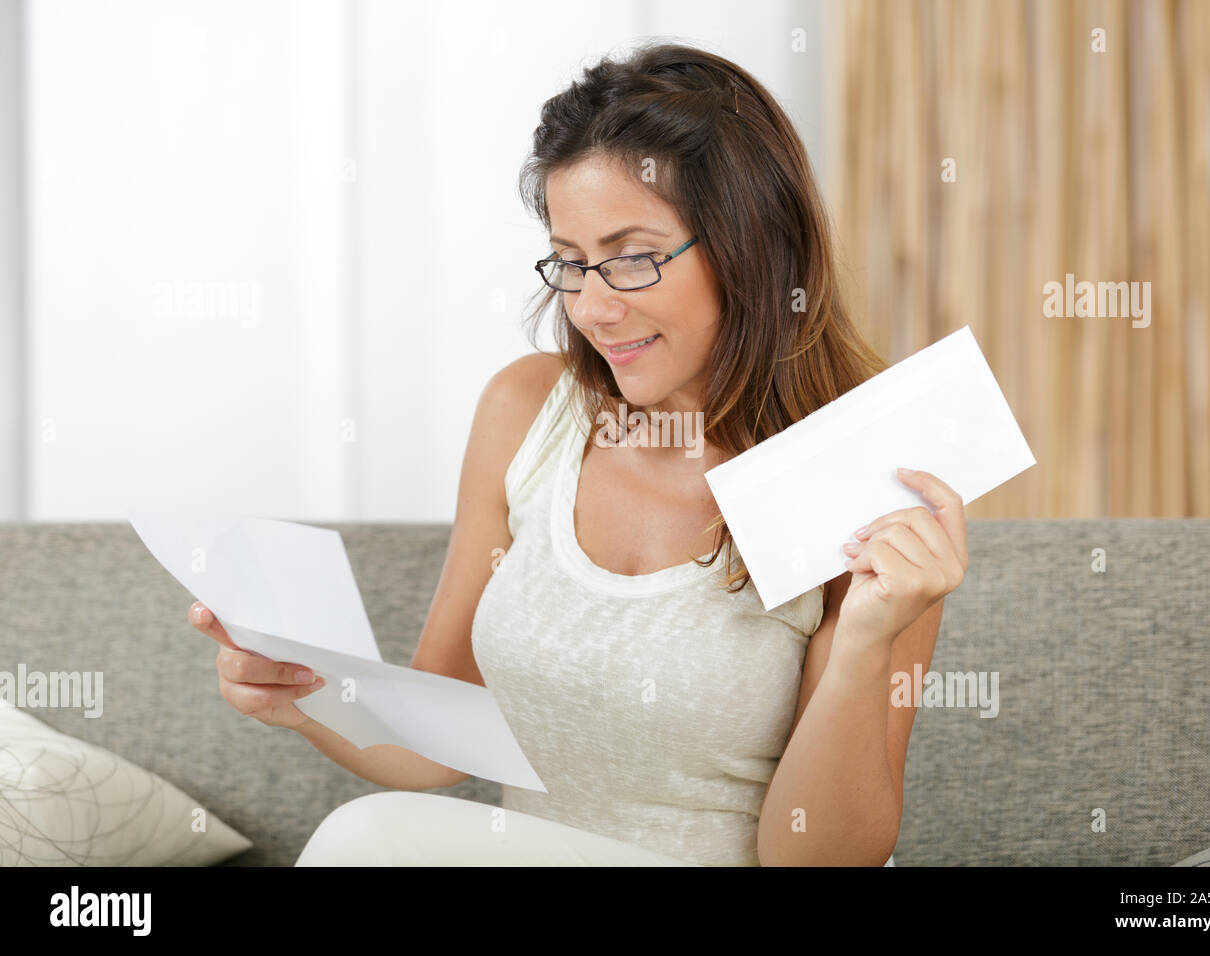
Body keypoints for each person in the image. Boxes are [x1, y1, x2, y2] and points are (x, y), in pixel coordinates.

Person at [190, 40, 968, 867]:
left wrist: (864, 645)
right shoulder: (527, 413)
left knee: (365, 841)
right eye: (570, 262)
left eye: (632, 258)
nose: (593, 307)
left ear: (752, 243)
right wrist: (306, 698)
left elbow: (819, 860)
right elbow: (442, 739)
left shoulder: (862, 477)